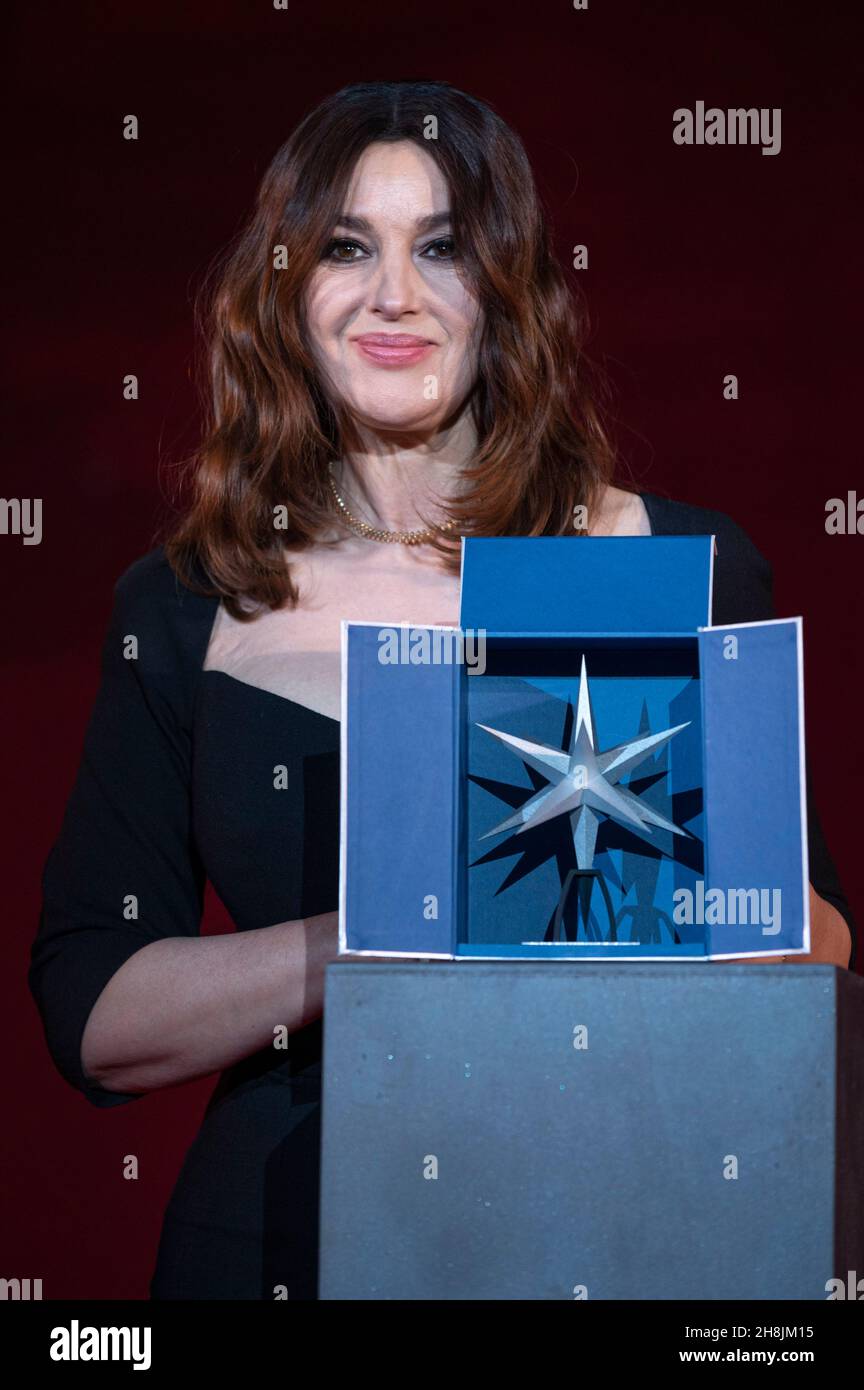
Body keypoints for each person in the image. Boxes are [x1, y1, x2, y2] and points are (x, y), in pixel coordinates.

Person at [30, 80, 855, 1301]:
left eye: (445, 250)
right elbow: (94, 1010)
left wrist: (701, 927)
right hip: (277, 1249)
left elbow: (826, 944)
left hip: (620, 1238)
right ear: (285, 290)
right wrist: (385, 930)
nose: (394, 296)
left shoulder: (664, 561)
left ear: (509, 288)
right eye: (346, 249)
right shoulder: (187, 600)